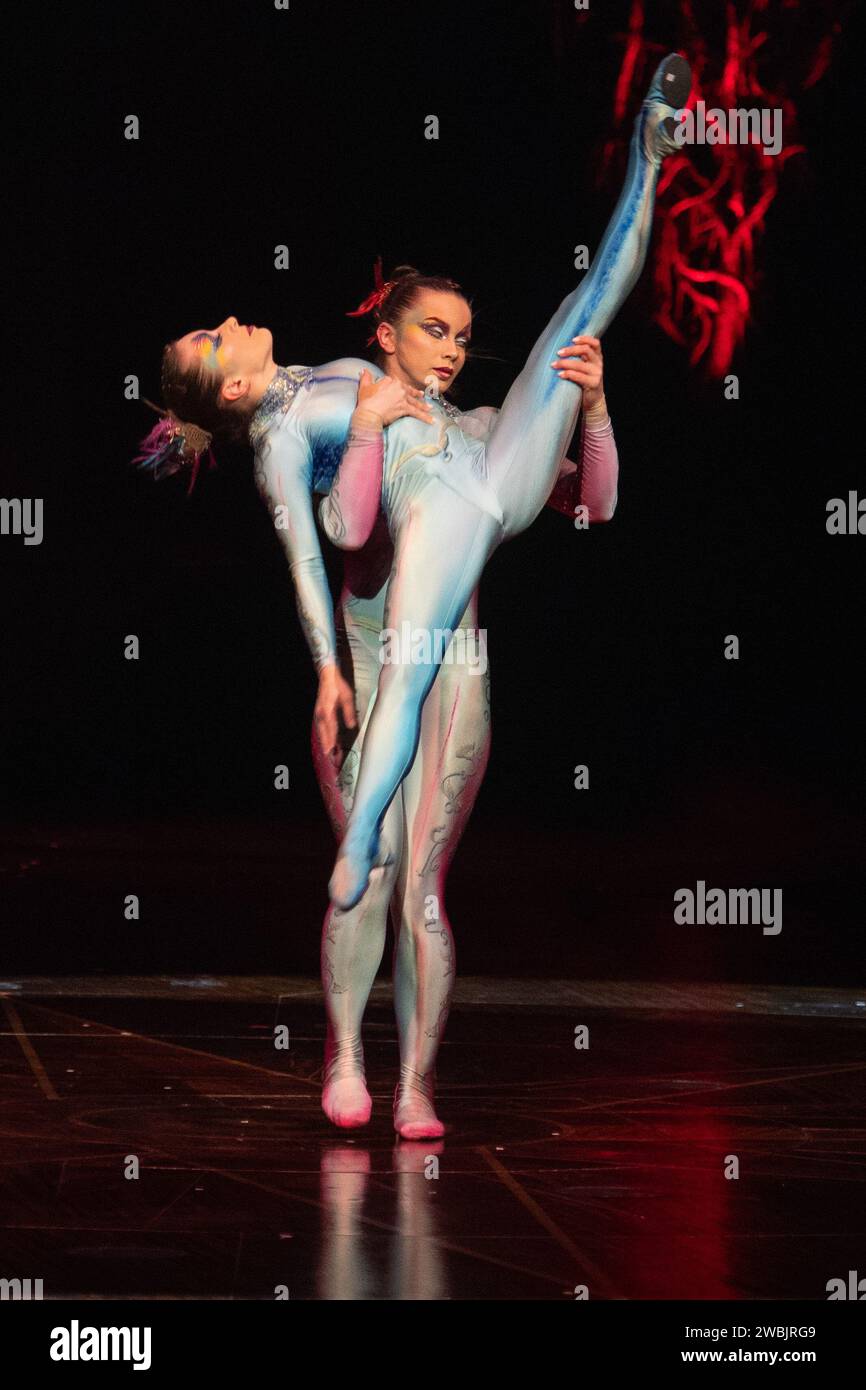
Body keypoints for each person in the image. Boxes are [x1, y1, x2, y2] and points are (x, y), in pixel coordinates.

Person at [312, 265, 616, 1136]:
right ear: (387, 333)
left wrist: (592, 409)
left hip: (454, 680)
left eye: (460, 335)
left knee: (424, 889)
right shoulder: (348, 408)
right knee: (364, 878)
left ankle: (415, 1082)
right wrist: (371, 424)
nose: (450, 350)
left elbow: (596, 506)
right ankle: (344, 1055)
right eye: (432, 330)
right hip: (371, 677)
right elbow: (353, 528)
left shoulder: (486, 433)